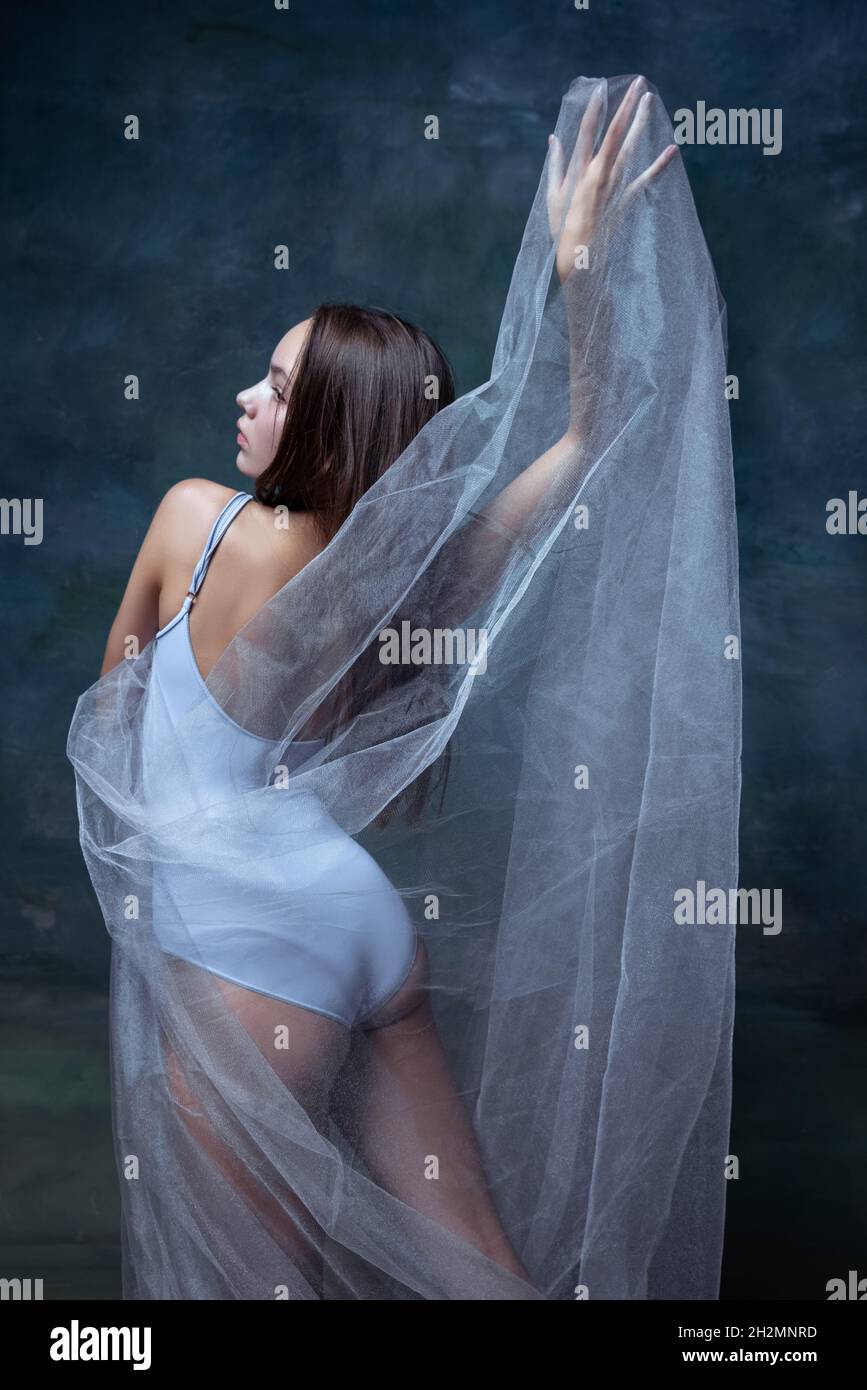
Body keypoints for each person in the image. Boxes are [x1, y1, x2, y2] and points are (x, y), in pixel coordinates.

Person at [69, 76, 738, 1299]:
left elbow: (109, 709)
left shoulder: (195, 523)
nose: (245, 399)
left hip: (244, 949)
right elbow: (591, 434)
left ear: (323, 426)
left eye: (274, 387)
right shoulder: (406, 583)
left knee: (259, 1283)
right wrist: (580, 275)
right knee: (485, 1270)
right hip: (360, 933)